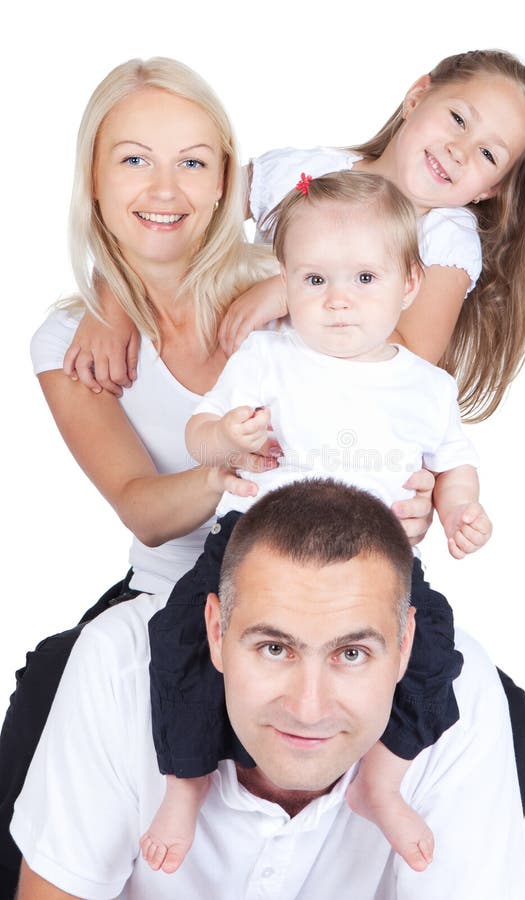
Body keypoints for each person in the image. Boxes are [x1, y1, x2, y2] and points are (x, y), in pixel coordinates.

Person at [0, 58, 432, 900]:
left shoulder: (294, 286)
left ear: (229, 180)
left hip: (319, 585)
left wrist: (406, 493)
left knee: (495, 707)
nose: (166, 186)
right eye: (133, 158)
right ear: (91, 175)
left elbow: (386, 325)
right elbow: (144, 510)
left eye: (195, 161)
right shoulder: (73, 340)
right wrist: (223, 467)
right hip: (169, 585)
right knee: (45, 698)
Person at [145, 170, 493, 874]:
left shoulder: (425, 386)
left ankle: (380, 785)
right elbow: (199, 428)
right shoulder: (268, 358)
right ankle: (183, 785)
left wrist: (462, 509)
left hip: (373, 567)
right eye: (313, 281)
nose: (337, 300)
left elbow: (455, 462)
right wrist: (224, 439)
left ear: (408, 285)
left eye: (364, 278)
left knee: (434, 653)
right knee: (180, 639)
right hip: (252, 549)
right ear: (287, 282)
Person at [11, 480, 525, 900]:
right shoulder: (116, 665)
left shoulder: (467, 693)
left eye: (351, 654)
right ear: (216, 631)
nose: (308, 708)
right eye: (275, 649)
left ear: (407, 644)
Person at [66, 49, 525, 427]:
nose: (459, 150)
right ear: (417, 96)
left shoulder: (444, 236)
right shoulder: (303, 173)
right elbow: (170, 221)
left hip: (330, 433)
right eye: (459, 120)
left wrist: (288, 289)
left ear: (491, 190)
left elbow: (411, 355)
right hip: (231, 402)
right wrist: (109, 301)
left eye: (488, 154)